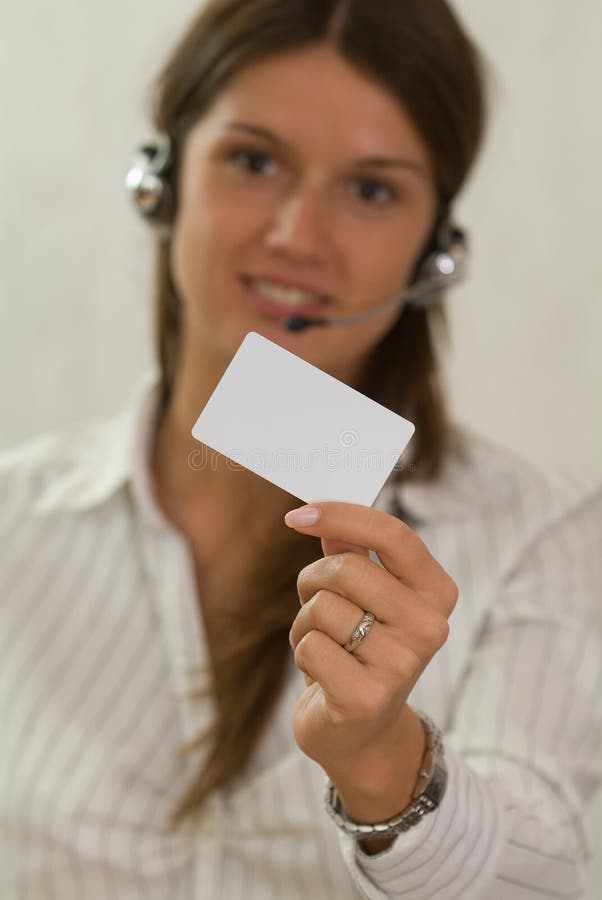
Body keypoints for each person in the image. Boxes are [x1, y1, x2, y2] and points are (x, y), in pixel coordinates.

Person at [1, 1, 601, 897]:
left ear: (436, 251)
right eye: (253, 161)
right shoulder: (15, 517)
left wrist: (385, 764)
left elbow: (548, 875)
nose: (295, 236)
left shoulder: (541, 532)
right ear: (158, 182)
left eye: (370, 189)